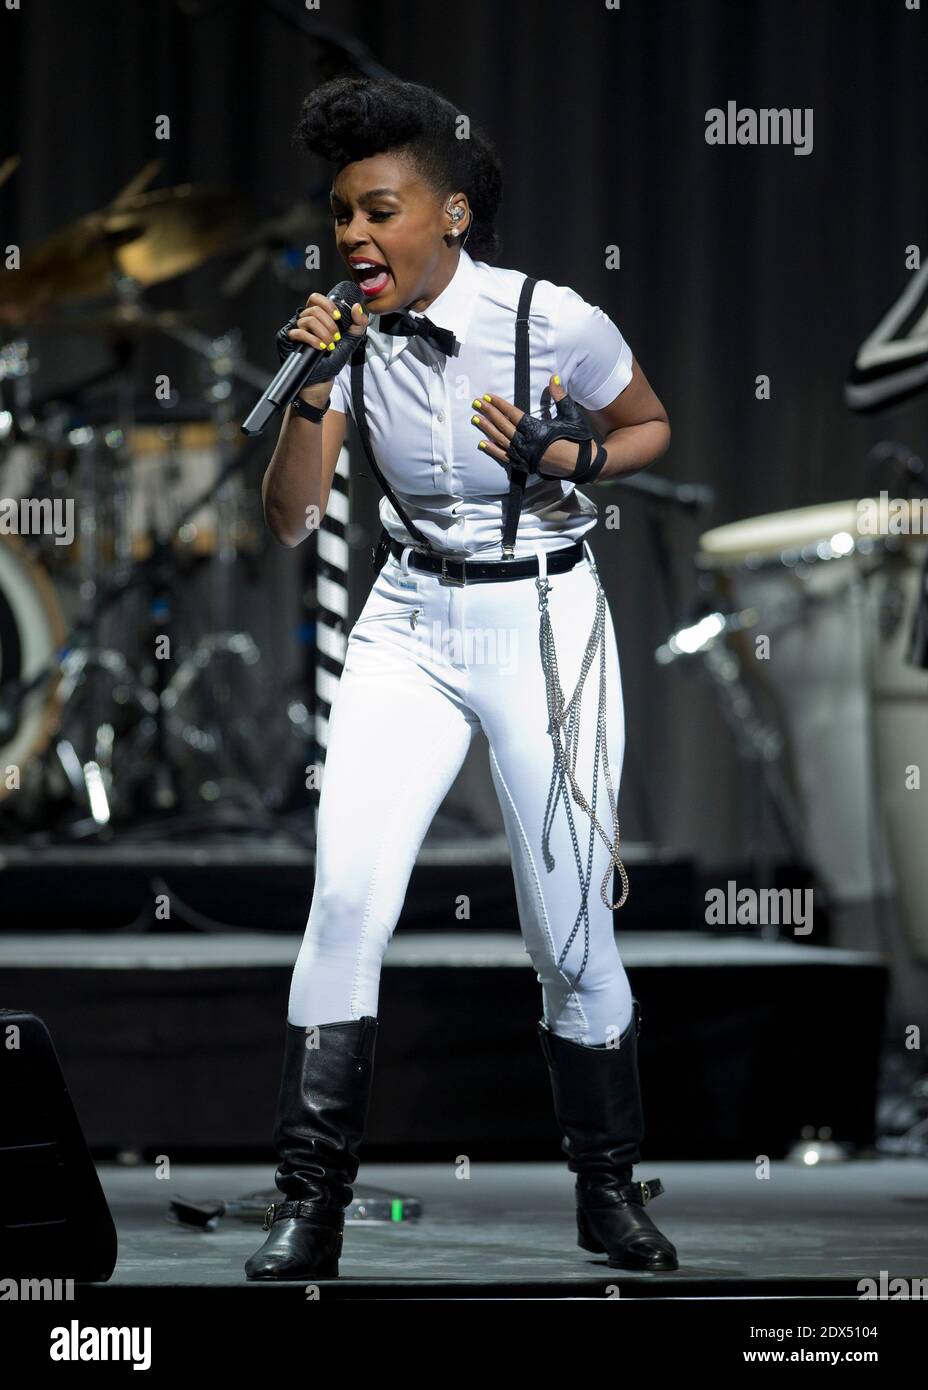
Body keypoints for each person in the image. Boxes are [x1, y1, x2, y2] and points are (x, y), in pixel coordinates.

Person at [245, 75, 678, 1281]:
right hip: (408, 622)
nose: (351, 237)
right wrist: (318, 386)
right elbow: (288, 520)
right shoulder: (342, 331)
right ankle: (310, 1203)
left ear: (450, 216)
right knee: (346, 901)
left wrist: (569, 448)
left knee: (569, 920)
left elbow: (649, 425)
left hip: (544, 616)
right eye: (340, 214)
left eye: (377, 210)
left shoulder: (552, 316)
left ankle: (606, 1192)